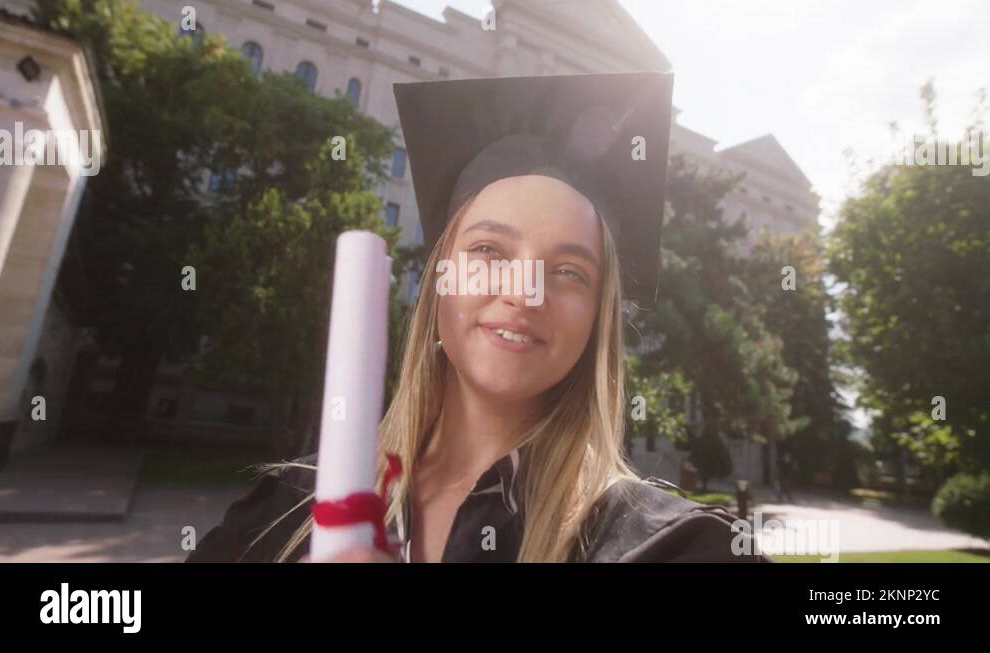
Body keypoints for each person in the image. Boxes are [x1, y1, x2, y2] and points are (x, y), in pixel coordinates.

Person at [186, 73, 768, 563]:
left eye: (569, 271)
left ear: (598, 317)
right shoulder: (289, 511)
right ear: (441, 277)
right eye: (489, 251)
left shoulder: (669, 547)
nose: (525, 293)